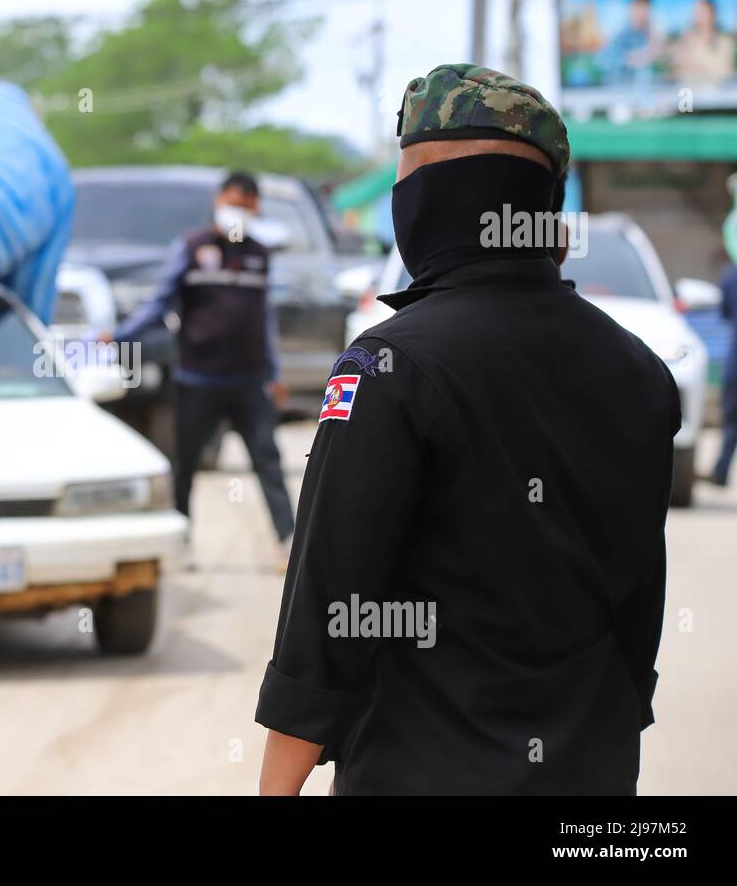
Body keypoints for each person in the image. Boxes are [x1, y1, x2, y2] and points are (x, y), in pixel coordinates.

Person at [256, 64, 680, 796]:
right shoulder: (641, 372)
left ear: (426, 202)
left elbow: (327, 618)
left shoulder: (390, 366)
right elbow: (637, 621)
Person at [106, 171, 294, 566]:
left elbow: (265, 318)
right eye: (232, 205)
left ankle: (288, 540)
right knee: (185, 463)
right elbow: (161, 303)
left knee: (267, 459)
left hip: (250, 378)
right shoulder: (192, 248)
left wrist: (275, 373)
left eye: (246, 207)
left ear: (257, 210)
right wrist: (121, 335)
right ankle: (181, 538)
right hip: (198, 379)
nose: (237, 214)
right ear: (218, 202)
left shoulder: (259, 254)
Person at [702, 173, 737, 487]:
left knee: (731, 421)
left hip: (735, 363)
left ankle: (721, 470)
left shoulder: (731, 275)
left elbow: (725, 312)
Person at [670, 0, 735, 88]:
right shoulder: (685, 41)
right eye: (696, 11)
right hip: (692, 94)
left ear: (713, 12)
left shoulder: (725, 41)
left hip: (718, 95)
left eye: (702, 11)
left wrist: (697, 64)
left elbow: (727, 72)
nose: (698, 15)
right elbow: (677, 71)